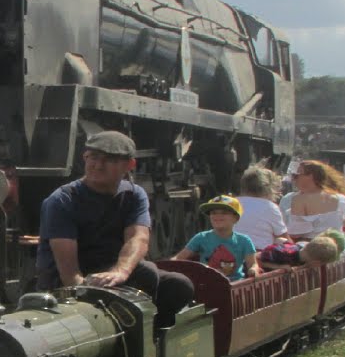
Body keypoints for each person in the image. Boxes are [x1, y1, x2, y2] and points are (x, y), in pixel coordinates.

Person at [35, 130, 194, 326]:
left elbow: (138, 238)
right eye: (93, 157)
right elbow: (70, 274)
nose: (98, 165)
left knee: (178, 286)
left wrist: (121, 271)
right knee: (146, 273)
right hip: (72, 279)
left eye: (109, 160)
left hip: (112, 272)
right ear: (84, 157)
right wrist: (82, 289)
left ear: (130, 165)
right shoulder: (62, 200)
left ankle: (151, 340)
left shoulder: (134, 195)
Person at [279, 159, 345, 249]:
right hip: (338, 249)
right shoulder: (341, 199)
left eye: (296, 175)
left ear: (311, 176)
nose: (293, 179)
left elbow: (296, 234)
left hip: (313, 250)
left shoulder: (298, 199)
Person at [172, 195, 259, 281]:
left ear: (235, 218)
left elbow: (253, 264)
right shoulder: (201, 238)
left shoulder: (244, 241)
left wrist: (253, 270)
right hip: (208, 284)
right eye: (213, 213)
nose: (217, 216)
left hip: (235, 284)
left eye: (224, 213)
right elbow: (179, 258)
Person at [234, 166, 289, 250]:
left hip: (229, 250)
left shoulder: (232, 203)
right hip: (259, 254)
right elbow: (283, 237)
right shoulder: (270, 207)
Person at [258, 235, 339, 271]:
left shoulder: (301, 256)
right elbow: (257, 259)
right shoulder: (284, 254)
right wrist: (278, 267)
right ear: (316, 263)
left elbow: (279, 239)